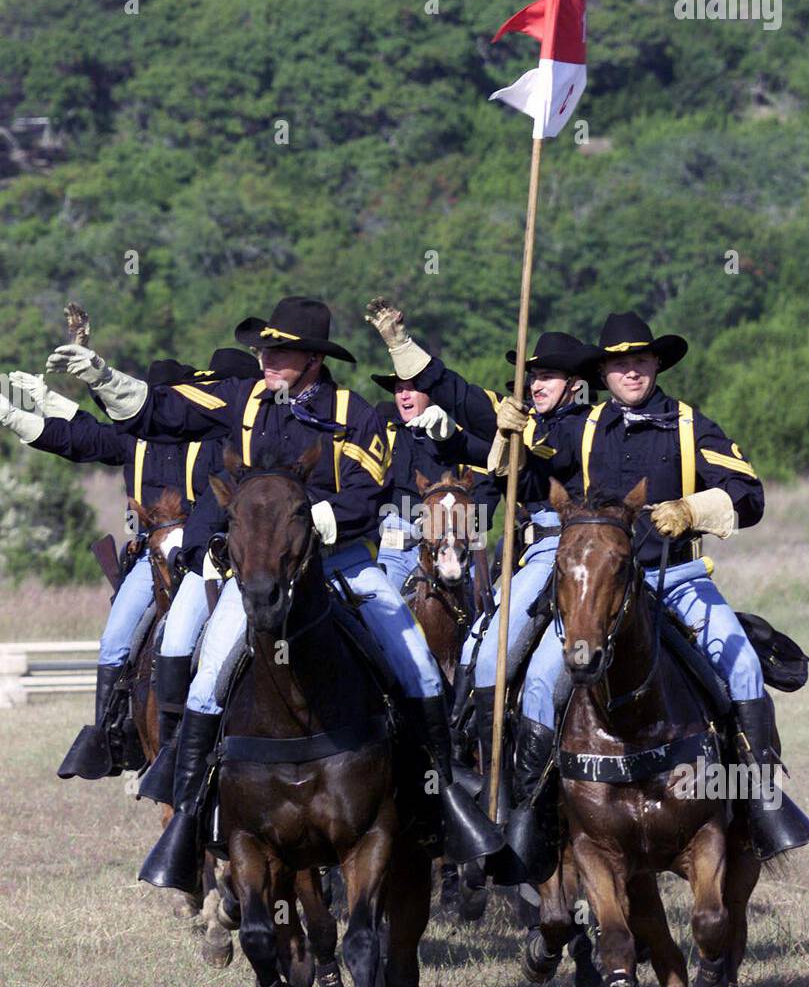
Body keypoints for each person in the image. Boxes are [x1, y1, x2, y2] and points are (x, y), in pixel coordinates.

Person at [45, 297, 503, 892]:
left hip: (342, 565)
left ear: (313, 358)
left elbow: (367, 494)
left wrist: (309, 527)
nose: (266, 359)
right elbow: (161, 411)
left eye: (279, 351)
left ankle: (442, 808)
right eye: (264, 349)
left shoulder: (357, 413)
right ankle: (189, 817)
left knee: (418, 668)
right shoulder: (243, 401)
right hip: (259, 574)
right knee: (209, 678)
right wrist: (101, 377)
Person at [546, 310, 809, 861]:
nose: (632, 373)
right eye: (620, 365)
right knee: (534, 678)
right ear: (605, 372)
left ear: (656, 365)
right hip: (595, 590)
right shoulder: (581, 427)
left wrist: (691, 507)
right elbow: (522, 461)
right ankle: (533, 806)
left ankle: (758, 802)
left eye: (641, 361)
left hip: (676, 579)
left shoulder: (693, 426)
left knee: (741, 664)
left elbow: (750, 494)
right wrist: (506, 427)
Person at [365, 299, 596, 878]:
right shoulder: (396, 432)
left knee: (730, 659)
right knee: (479, 650)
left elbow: (486, 476)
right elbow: (477, 427)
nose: (535, 384)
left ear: (574, 385)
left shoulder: (597, 427)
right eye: (531, 375)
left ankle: (752, 779)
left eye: (545, 376)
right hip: (443, 545)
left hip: (588, 549)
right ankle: (475, 773)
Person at [2, 348, 258, 779]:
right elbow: (82, 437)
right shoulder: (134, 438)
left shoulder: (219, 441)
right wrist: (20, 413)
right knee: (116, 638)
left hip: (205, 550)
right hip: (149, 553)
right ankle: (109, 734)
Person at [371, 369, 499, 593]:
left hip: (454, 539)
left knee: (483, 609)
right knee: (381, 603)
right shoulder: (383, 427)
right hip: (397, 539)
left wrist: (463, 528)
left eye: (412, 388)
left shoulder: (461, 433)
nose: (404, 395)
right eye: (399, 389)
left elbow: (485, 490)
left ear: (431, 393)